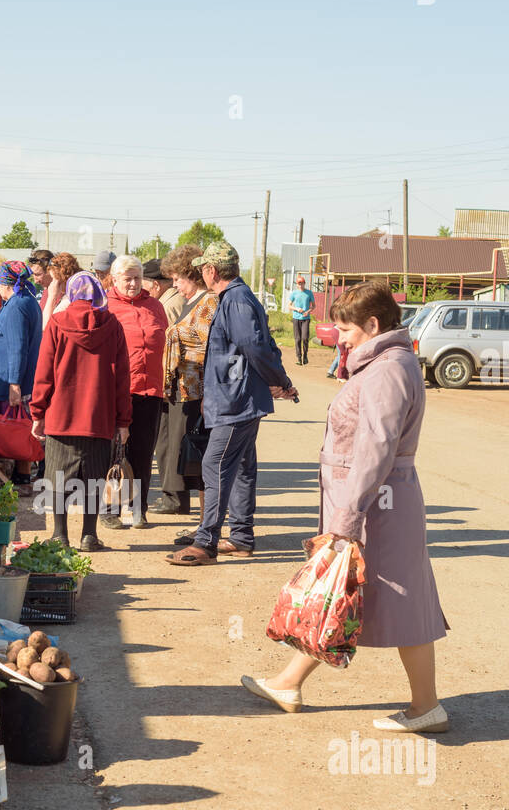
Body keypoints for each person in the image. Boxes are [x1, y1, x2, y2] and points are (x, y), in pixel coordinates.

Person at [241, 280, 449, 733]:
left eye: (347, 329)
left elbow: (376, 447)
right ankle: (289, 682)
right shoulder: (385, 363)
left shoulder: (388, 369)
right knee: (346, 591)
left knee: (397, 599)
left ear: (373, 324)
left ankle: (426, 707)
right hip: (377, 499)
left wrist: (348, 515)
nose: (341, 338)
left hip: (378, 504)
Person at [167, 241, 296, 565]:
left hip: (235, 401)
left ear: (211, 271)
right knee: (240, 467)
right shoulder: (237, 297)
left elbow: (255, 346)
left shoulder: (236, 299)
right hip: (235, 398)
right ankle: (240, 538)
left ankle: (206, 542)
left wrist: (279, 380)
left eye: (202, 269)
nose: (200, 274)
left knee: (215, 465)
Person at [30, 272, 131, 552]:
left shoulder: (57, 324)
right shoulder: (113, 326)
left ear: (72, 294)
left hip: (61, 416)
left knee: (58, 477)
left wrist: (37, 412)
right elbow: (123, 377)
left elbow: (44, 372)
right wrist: (123, 421)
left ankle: (60, 535)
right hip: (99, 417)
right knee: (95, 479)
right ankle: (89, 535)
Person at [155, 245, 220, 524]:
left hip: (195, 390)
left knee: (191, 449)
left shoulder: (208, 302)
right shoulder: (193, 301)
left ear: (191, 275)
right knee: (177, 447)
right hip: (180, 388)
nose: (175, 285)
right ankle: (185, 506)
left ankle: (192, 510)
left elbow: (208, 347)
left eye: (178, 279)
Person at [104, 255, 167, 529]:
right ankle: (109, 509)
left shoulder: (155, 306)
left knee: (143, 452)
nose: (132, 283)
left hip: (150, 390)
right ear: (115, 279)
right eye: (127, 278)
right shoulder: (105, 305)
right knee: (115, 453)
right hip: (117, 391)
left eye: (137, 278)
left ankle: (139, 509)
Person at [0, 263, 43, 485]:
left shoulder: (18, 305)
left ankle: (10, 477)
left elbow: (18, 346)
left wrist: (14, 384)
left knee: (12, 429)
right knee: (18, 428)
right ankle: (20, 475)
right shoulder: (25, 298)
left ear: (2, 283)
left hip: (8, 381)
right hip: (10, 378)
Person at [40, 252, 81, 329]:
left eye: (54, 279)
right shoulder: (76, 294)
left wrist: (52, 296)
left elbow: (45, 326)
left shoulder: (68, 302)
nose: (52, 283)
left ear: (62, 279)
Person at [142, 258, 185, 326]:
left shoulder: (166, 309)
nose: (141, 291)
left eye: (142, 286)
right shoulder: (183, 296)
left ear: (156, 285)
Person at [289, 274, 315, 366]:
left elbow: (313, 306)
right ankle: (299, 358)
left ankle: (305, 355)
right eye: (299, 284)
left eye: (302, 283)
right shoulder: (294, 293)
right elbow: (289, 305)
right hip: (296, 318)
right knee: (298, 339)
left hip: (305, 318)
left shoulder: (309, 293)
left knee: (305, 338)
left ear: (304, 283)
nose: (301, 285)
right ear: (297, 284)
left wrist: (308, 311)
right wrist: (296, 309)